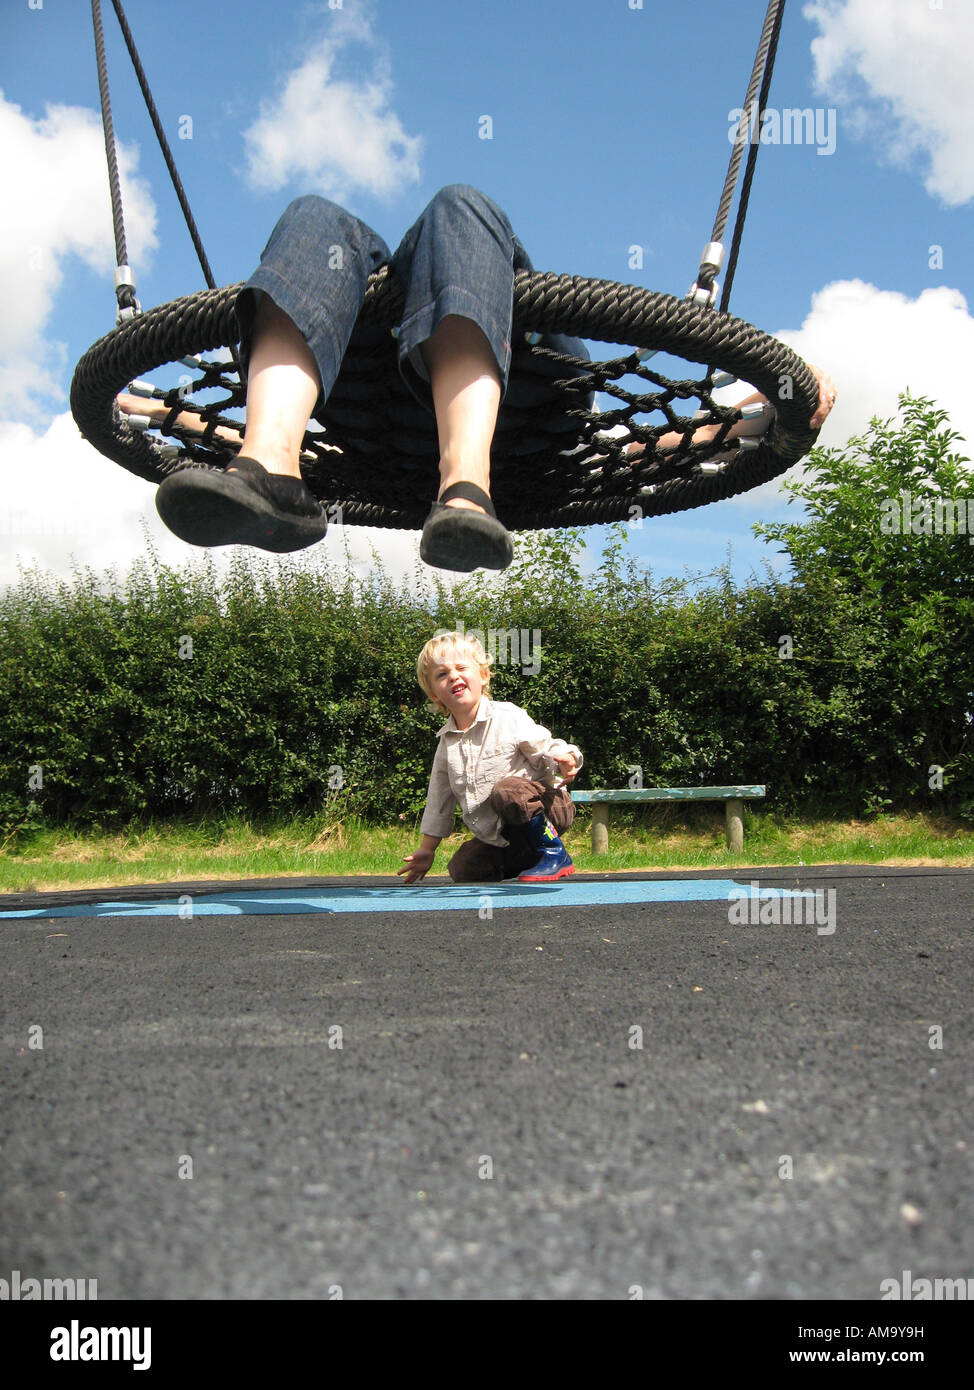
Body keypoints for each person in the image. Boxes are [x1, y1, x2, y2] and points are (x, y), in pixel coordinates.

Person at [118, 184, 838, 573]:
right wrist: (162, 414)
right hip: (371, 406)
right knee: (316, 218)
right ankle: (267, 467)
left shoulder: (574, 443)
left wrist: (762, 412)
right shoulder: (347, 434)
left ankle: (467, 483)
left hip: (531, 393)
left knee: (457, 213)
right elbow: (646, 448)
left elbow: (638, 446)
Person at [398, 631, 582, 884]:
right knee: (463, 868)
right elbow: (438, 801)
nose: (453, 676)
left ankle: (553, 852)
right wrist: (427, 849)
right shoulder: (447, 744)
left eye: (461, 667)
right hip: (503, 835)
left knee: (507, 790)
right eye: (442, 674)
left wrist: (562, 756)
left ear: (483, 676)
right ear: (434, 694)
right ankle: (532, 859)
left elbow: (544, 746)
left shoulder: (508, 716)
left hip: (550, 808)